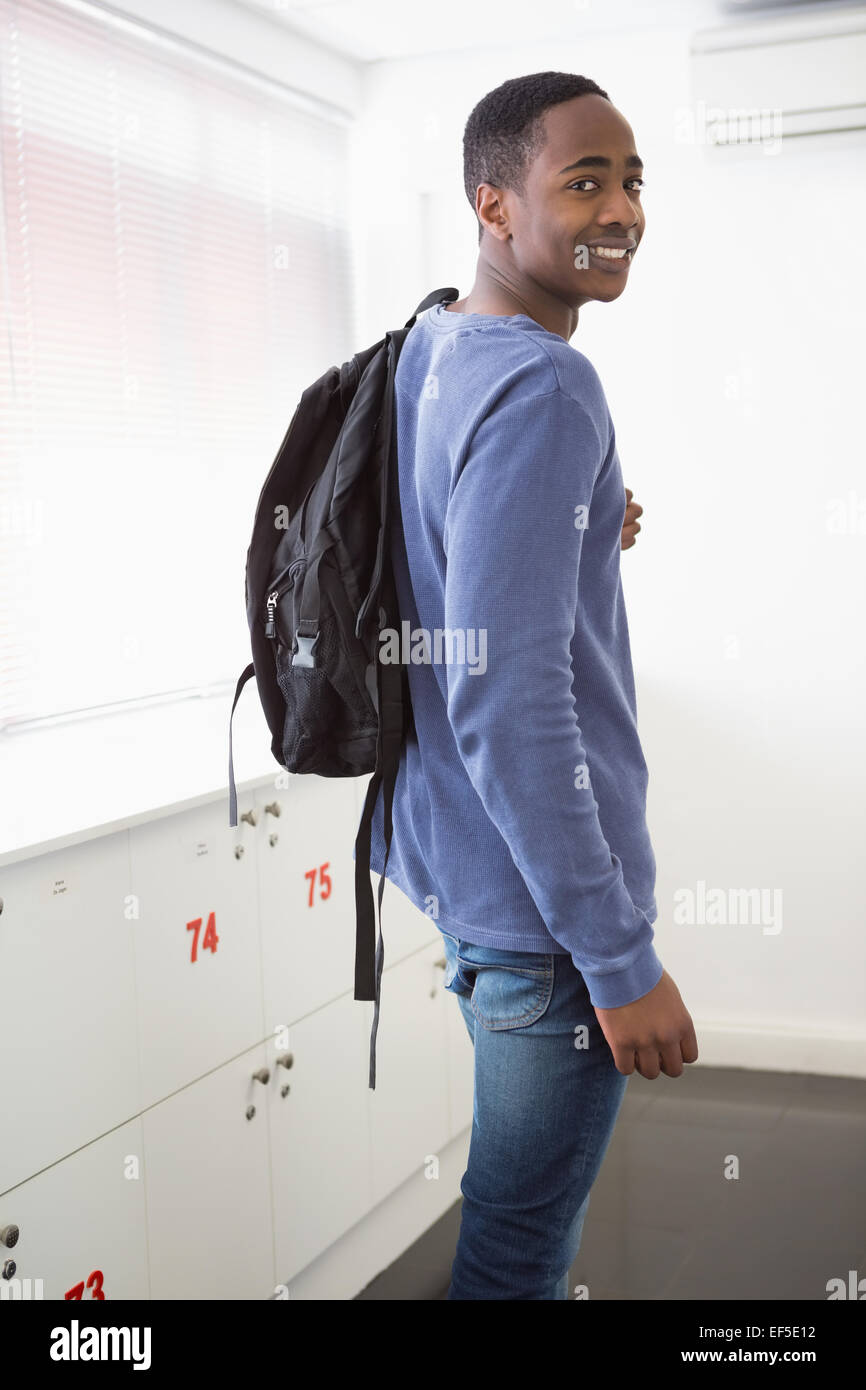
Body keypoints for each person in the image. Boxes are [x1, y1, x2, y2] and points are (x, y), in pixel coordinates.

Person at [366, 70, 698, 1300]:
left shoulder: (429, 346)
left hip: (456, 870)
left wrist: (575, 521)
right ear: (492, 203)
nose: (619, 209)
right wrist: (617, 959)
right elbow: (507, 697)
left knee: (510, 1226)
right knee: (516, 1250)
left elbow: (423, 548)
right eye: (582, 180)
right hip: (550, 925)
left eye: (629, 180)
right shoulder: (548, 382)